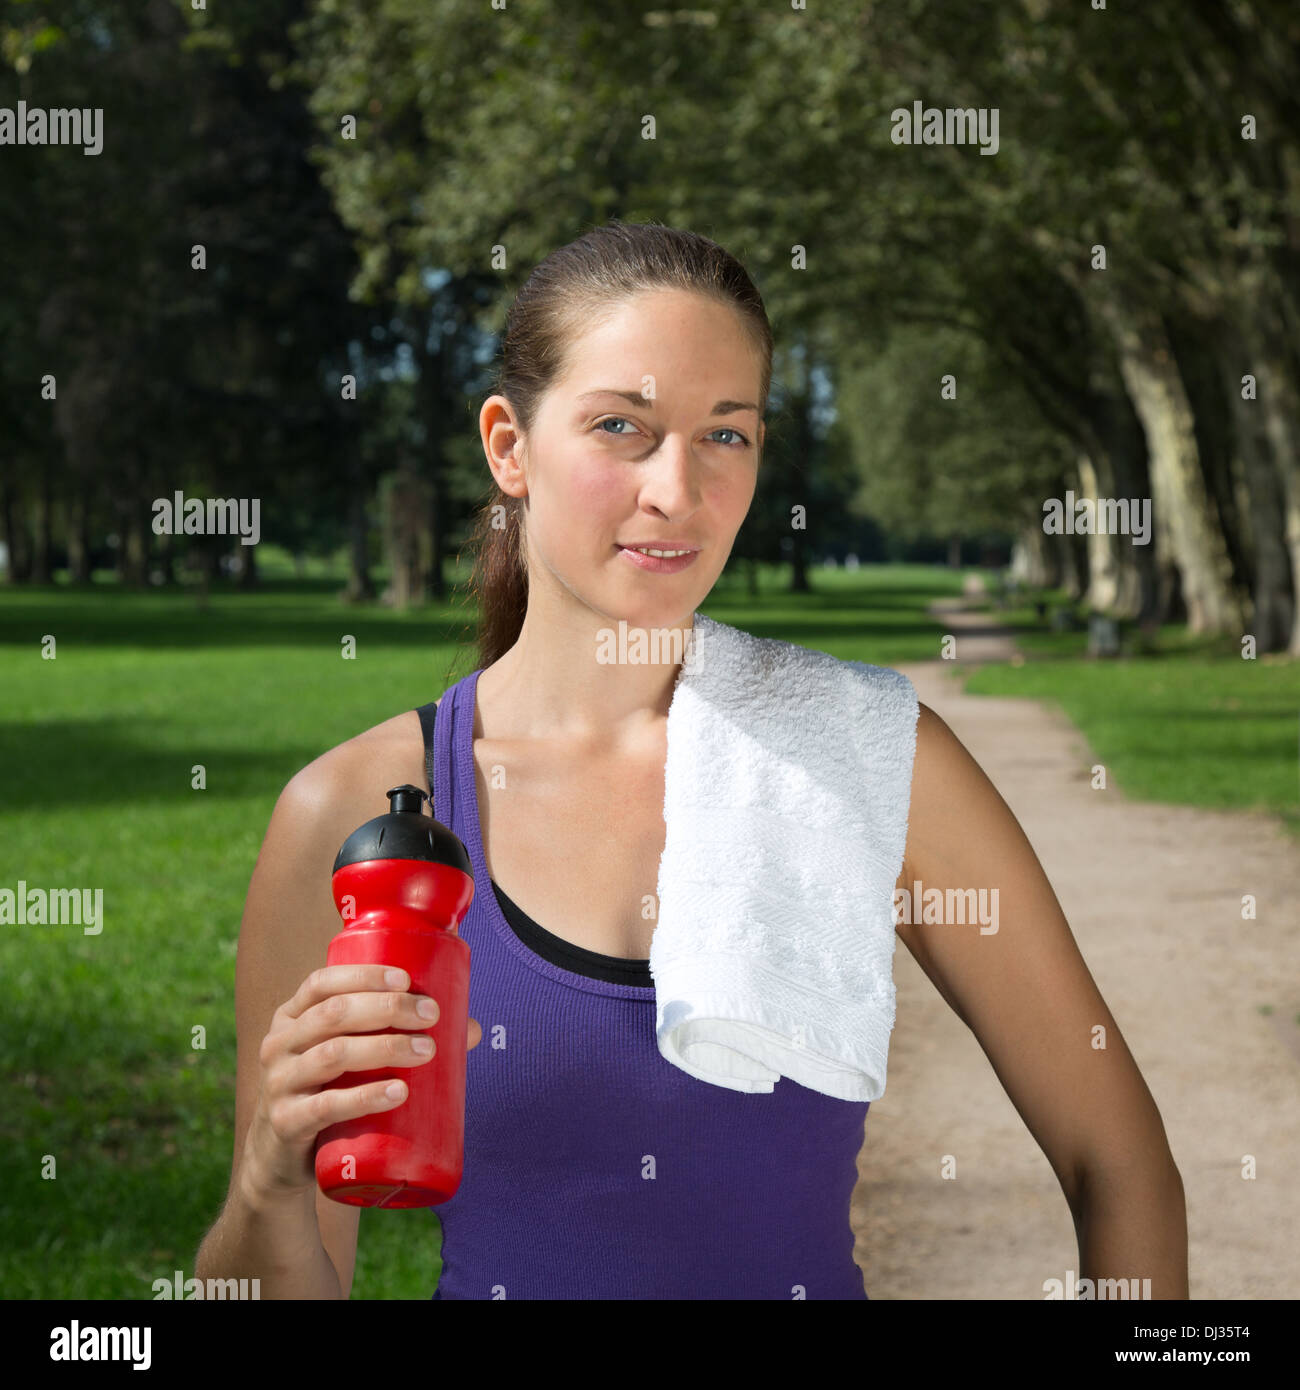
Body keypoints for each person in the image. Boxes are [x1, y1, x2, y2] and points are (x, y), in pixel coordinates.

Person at [194, 220, 1188, 1299]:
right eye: (622, 425)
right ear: (508, 446)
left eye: (726, 435)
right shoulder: (357, 817)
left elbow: (1120, 1165)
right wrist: (264, 1191)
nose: (679, 489)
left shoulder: (867, 758)